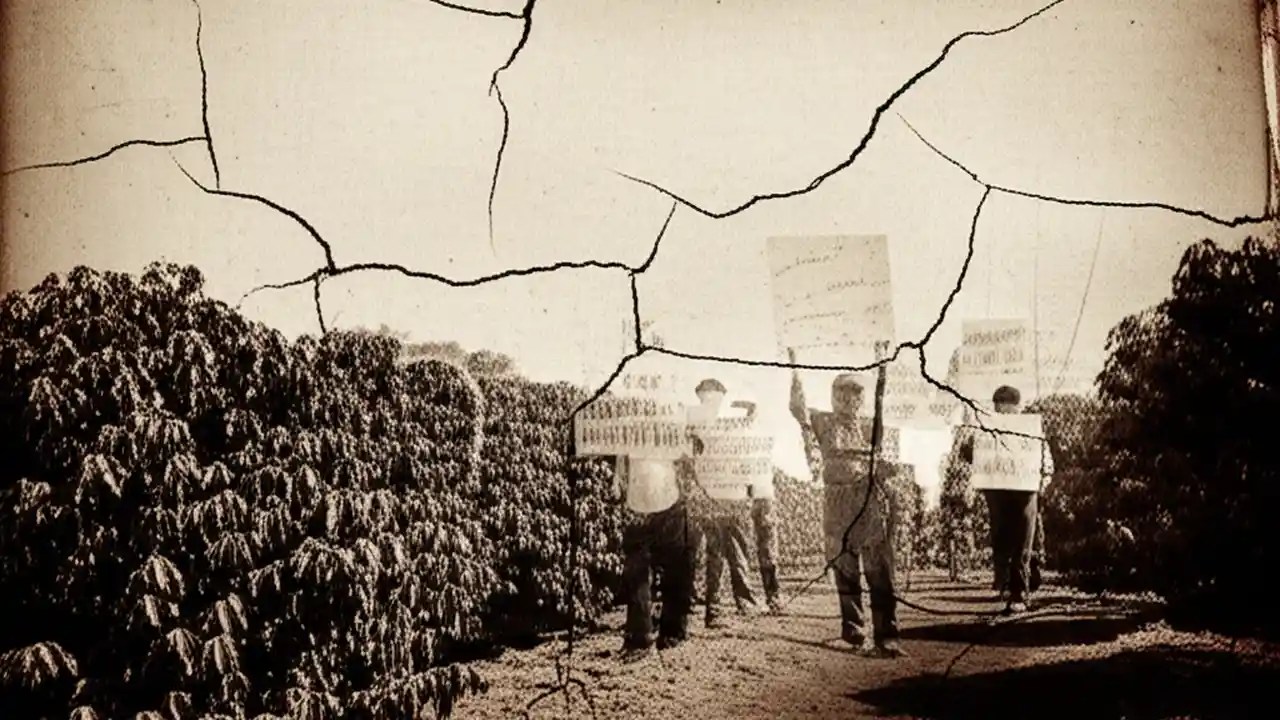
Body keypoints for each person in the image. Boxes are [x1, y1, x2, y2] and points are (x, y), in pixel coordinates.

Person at [787, 344, 905, 657]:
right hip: (836, 502)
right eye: (841, 393)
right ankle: (853, 629)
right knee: (845, 568)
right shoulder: (823, 421)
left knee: (879, 570)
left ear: (861, 398)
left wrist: (883, 368)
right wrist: (794, 366)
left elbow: (886, 454)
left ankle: (887, 636)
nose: (847, 399)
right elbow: (797, 408)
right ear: (832, 396)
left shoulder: (872, 424)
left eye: (854, 394)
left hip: (868, 502)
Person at [952, 385, 1054, 614]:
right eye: (1000, 408)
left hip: (1025, 492)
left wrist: (1040, 484)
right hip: (998, 492)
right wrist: (975, 435)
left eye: (1007, 408)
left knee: (1023, 542)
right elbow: (969, 453)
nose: (1004, 413)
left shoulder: (1030, 431)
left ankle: (1018, 592)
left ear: (1016, 408)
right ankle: (1007, 585)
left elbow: (1046, 462)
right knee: (1001, 539)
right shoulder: (989, 430)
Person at [686, 378, 762, 628]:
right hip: (711, 498)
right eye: (706, 397)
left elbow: (751, 421)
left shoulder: (726, 425)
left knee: (737, 550)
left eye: (715, 398)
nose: (711, 402)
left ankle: (743, 603)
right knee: (716, 555)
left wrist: (749, 405)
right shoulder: (694, 426)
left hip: (733, 497)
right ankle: (715, 611)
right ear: (700, 399)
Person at [615, 452, 700, 655]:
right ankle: (668, 634)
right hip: (659, 494)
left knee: (640, 569)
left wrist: (618, 478)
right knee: (671, 564)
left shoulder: (628, 423)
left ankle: (641, 637)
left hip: (643, 497)